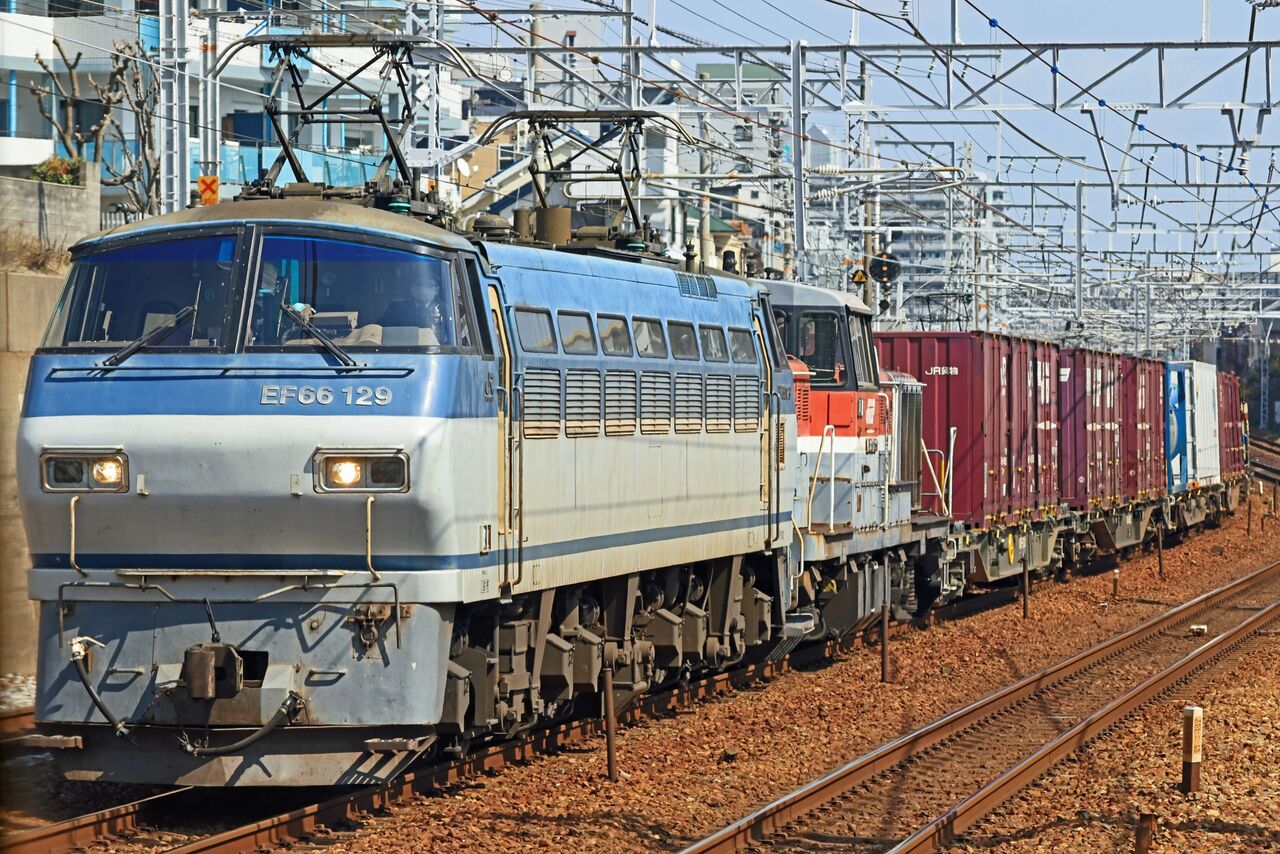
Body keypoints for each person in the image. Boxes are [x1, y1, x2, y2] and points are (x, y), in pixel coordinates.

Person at [378, 274, 451, 343]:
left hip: (436, 353)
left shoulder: (445, 309)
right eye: (418, 284)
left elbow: (453, 338)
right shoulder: (396, 308)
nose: (422, 289)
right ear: (411, 288)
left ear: (436, 290)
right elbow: (379, 330)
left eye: (428, 285)